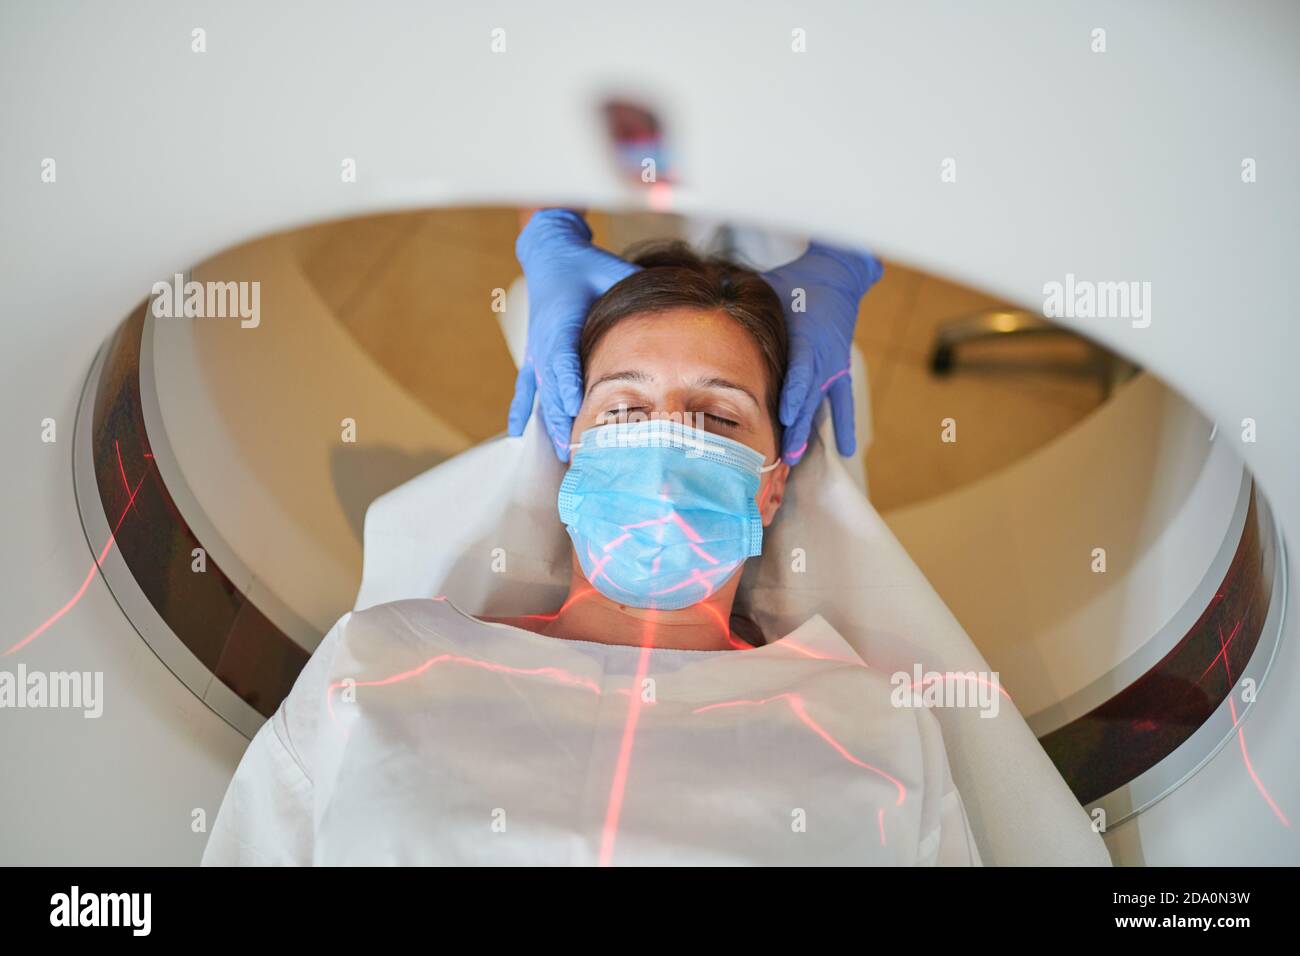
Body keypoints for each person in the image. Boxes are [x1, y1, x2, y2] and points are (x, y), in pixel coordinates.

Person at [200, 240, 980, 866]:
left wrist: (853, 244)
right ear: (571, 454)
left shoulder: (871, 725)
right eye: (626, 408)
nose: (664, 442)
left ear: (772, 486)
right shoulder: (380, 661)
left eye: (716, 417)